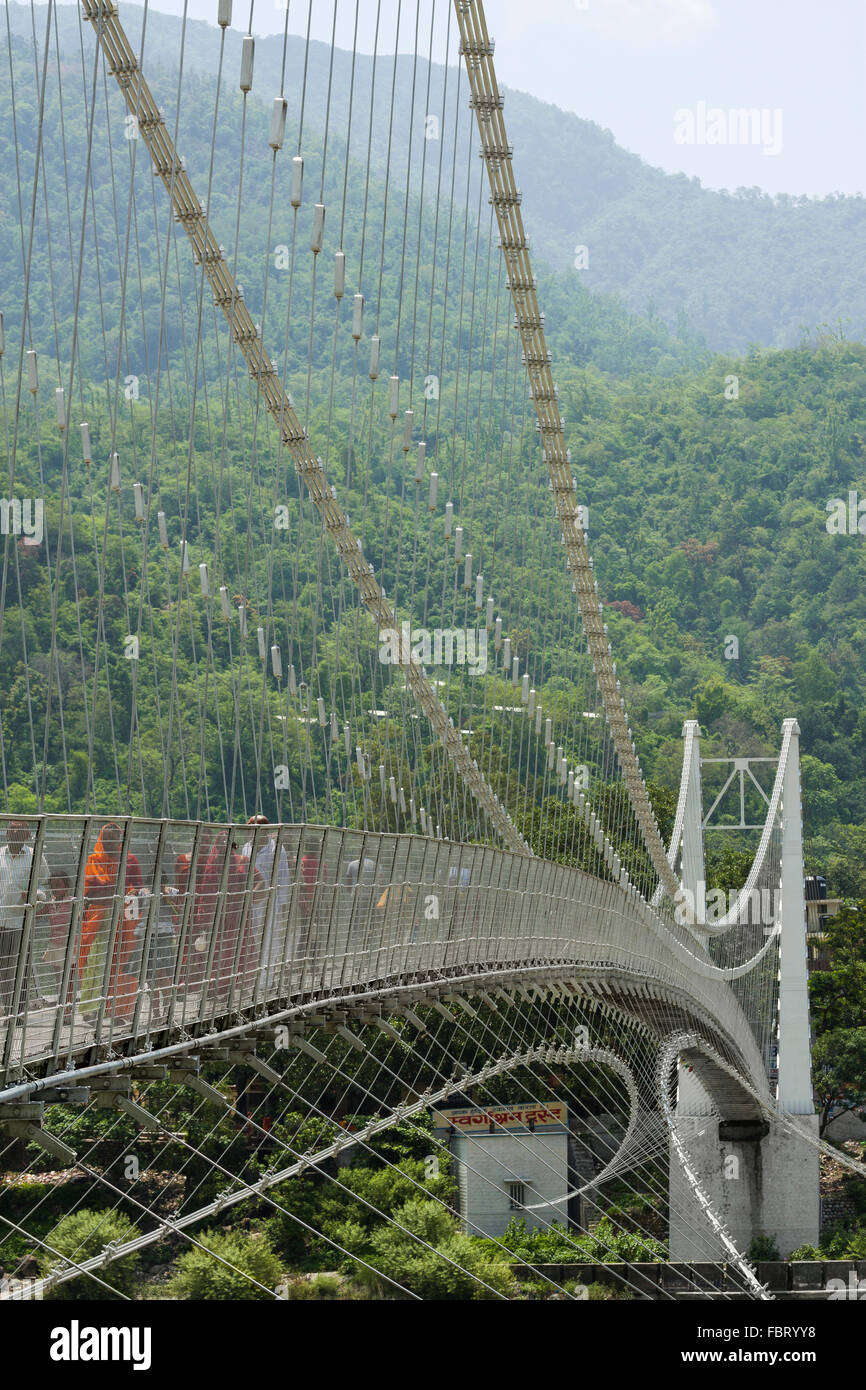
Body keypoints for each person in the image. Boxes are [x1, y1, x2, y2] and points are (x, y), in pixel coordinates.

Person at [77, 823, 143, 1024]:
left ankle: (116, 1010)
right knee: (94, 962)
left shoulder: (129, 860)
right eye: (105, 839)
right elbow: (87, 892)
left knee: (120, 962)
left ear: (120, 840)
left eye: (113, 840)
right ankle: (90, 1009)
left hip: (124, 919)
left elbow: (139, 888)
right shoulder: (93, 860)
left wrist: (120, 893)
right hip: (98, 919)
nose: (109, 844)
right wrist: (113, 892)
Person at [0, 820, 50, 1027]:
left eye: (21, 829)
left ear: (28, 835)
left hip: (20, 921)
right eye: (13, 828)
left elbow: (43, 886)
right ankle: (7, 1011)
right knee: (2, 969)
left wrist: (33, 896)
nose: (16, 832)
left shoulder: (35, 856)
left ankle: (18, 1013)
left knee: (21, 967)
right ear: (7, 832)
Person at [240, 816, 291, 996]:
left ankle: (266, 982)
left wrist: (284, 906)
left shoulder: (277, 849)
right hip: (249, 903)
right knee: (251, 939)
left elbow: (283, 877)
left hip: (271, 902)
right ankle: (251, 978)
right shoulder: (246, 848)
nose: (251, 833)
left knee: (269, 938)